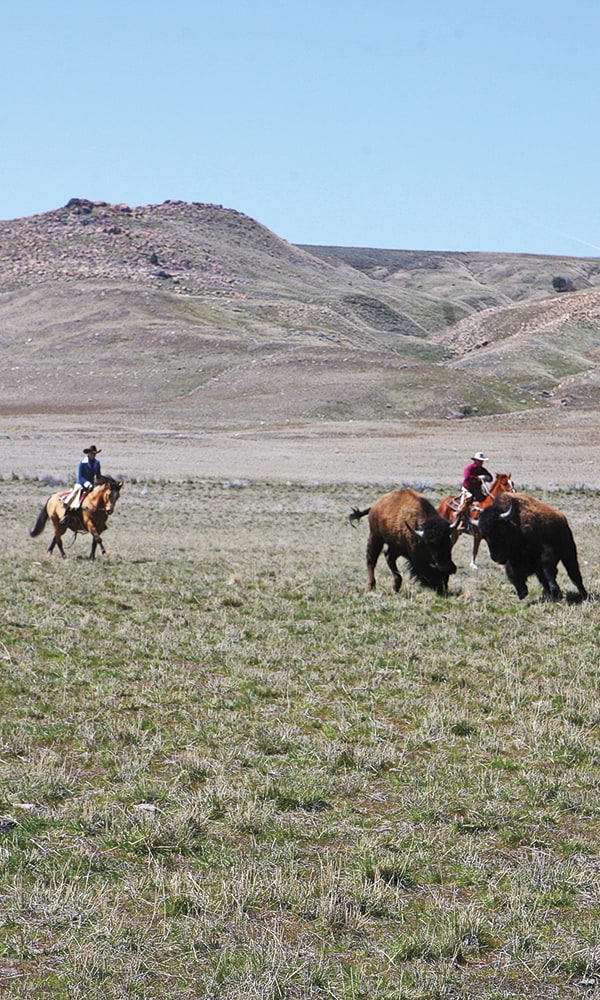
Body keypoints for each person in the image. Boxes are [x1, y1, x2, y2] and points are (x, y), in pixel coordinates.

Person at [60, 445, 102, 523]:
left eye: (95, 453)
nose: (94, 455)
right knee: (74, 496)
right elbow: (81, 476)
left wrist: (100, 483)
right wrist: (87, 484)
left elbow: (98, 475)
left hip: (92, 485)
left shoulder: (97, 463)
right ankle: (67, 515)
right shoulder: (82, 463)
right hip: (81, 484)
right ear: (88, 453)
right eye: (92, 453)